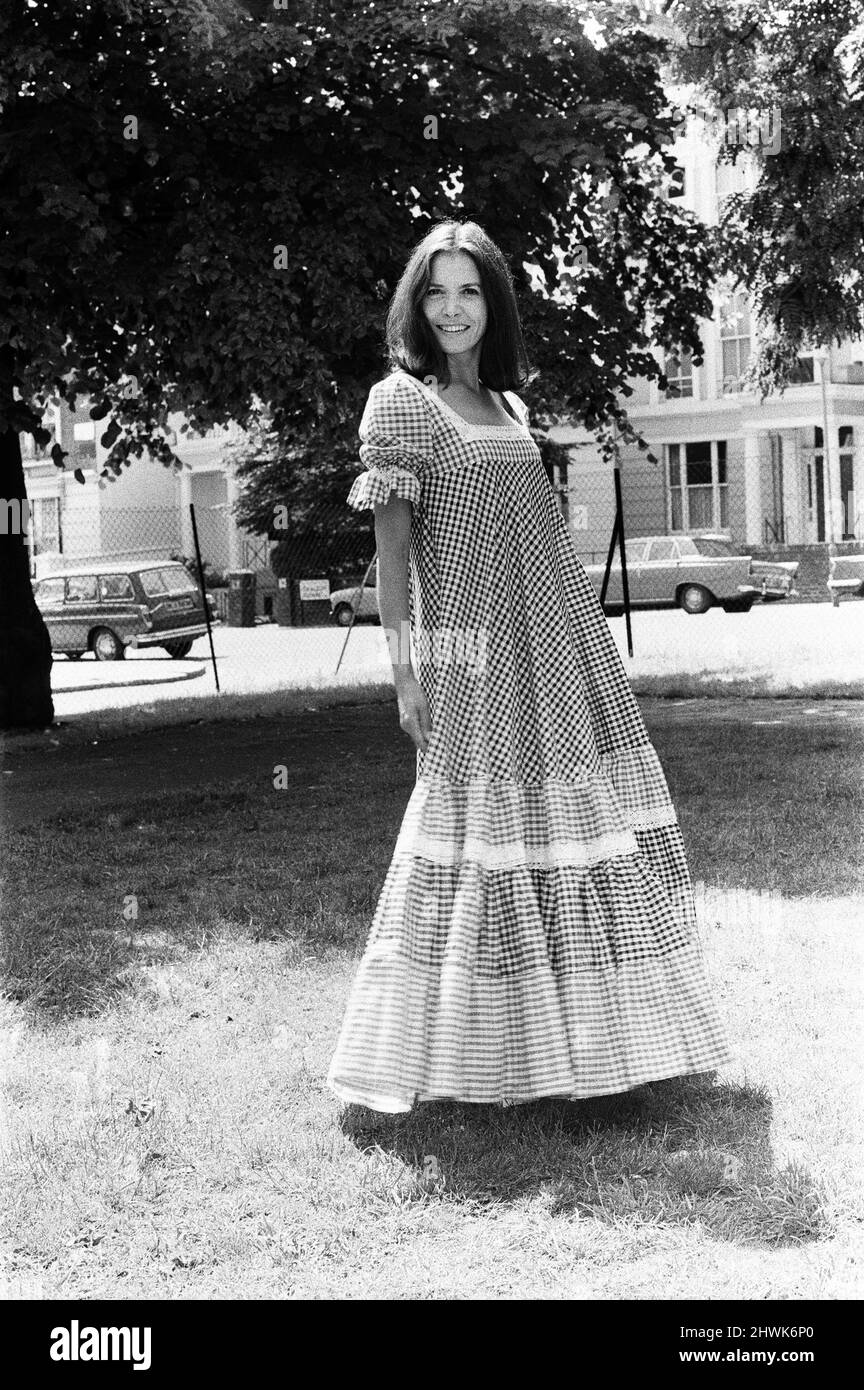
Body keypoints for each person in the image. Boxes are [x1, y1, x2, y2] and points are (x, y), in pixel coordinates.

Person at [326, 219, 734, 1113]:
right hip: (472, 656)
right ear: (416, 305)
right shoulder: (399, 404)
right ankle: (470, 1056)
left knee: (574, 835)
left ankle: (585, 1053)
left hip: (554, 647)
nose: (452, 308)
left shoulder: (510, 407)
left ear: (493, 302)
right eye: (435, 292)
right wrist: (406, 673)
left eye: (469, 290)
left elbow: (540, 541)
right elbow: (393, 565)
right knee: (477, 837)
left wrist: (584, 643)